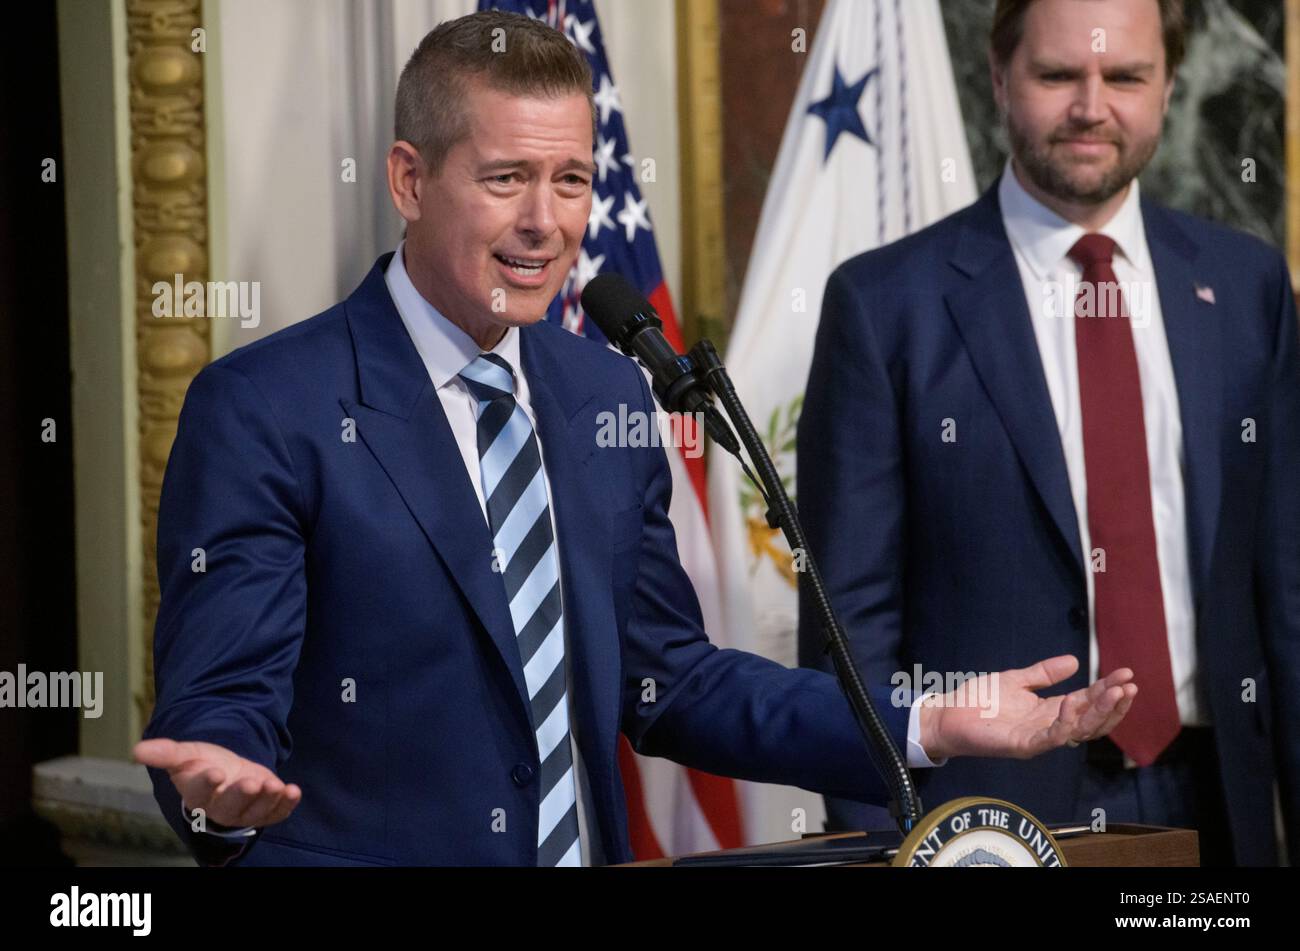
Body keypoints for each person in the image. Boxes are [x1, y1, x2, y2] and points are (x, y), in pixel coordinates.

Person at [135, 10, 1135, 867]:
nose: (545, 221)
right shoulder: (267, 408)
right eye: (505, 178)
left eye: (572, 179)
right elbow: (222, 702)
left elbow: (674, 682)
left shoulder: (603, 389)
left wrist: (925, 720)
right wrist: (216, 791)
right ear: (407, 177)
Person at [798, 0, 1298, 866]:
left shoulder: (1246, 287)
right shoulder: (885, 308)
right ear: (998, 76)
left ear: (1170, 84)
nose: (1092, 106)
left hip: (1218, 798)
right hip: (984, 823)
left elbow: (1287, 590)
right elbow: (849, 625)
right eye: (1059, 74)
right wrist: (884, 850)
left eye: (1127, 76)